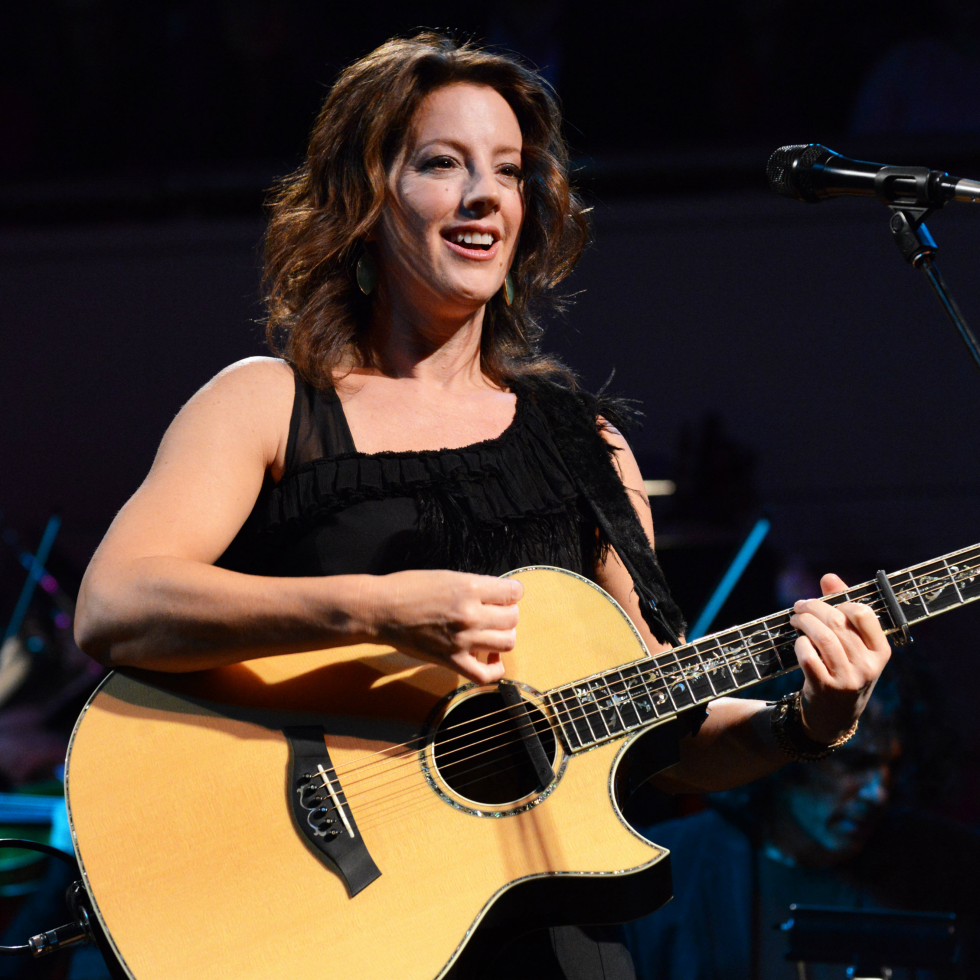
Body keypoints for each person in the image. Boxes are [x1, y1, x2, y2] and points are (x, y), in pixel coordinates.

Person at [73, 32, 892, 980]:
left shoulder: (588, 446)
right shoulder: (270, 403)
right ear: (367, 196)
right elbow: (115, 606)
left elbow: (656, 734)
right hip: (327, 929)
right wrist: (373, 607)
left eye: (507, 170)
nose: (484, 196)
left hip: (551, 942)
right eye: (441, 163)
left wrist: (806, 723)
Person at [621, 668, 980, 979]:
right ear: (789, 752)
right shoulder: (666, 867)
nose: (878, 792)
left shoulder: (943, 868)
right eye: (854, 764)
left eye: (892, 768)